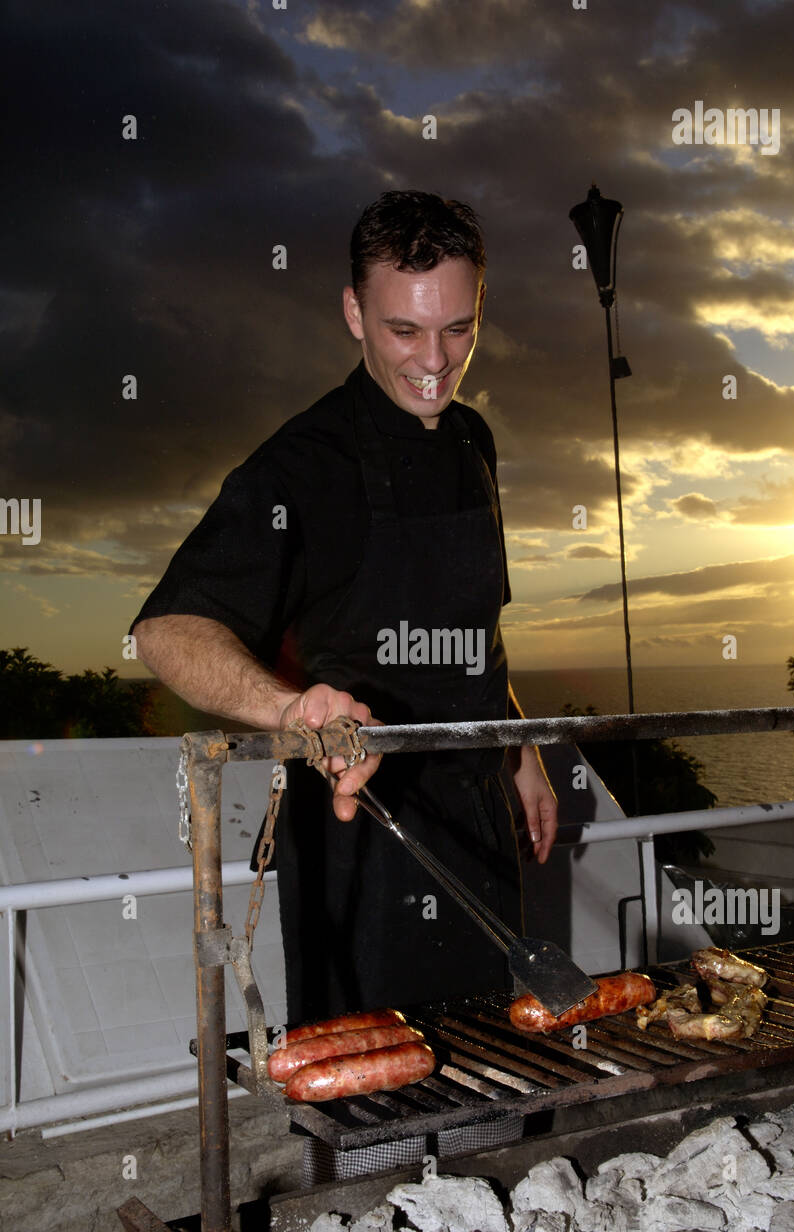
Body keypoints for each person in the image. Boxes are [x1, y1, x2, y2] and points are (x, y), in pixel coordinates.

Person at [132, 190, 558, 1177]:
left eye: (459, 328)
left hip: (476, 818)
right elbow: (166, 629)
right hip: (363, 836)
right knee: (380, 1117)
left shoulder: (471, 441)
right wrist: (289, 707)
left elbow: (477, 636)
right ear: (353, 313)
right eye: (403, 328)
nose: (432, 359)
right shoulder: (303, 465)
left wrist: (524, 751)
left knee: (493, 1087)